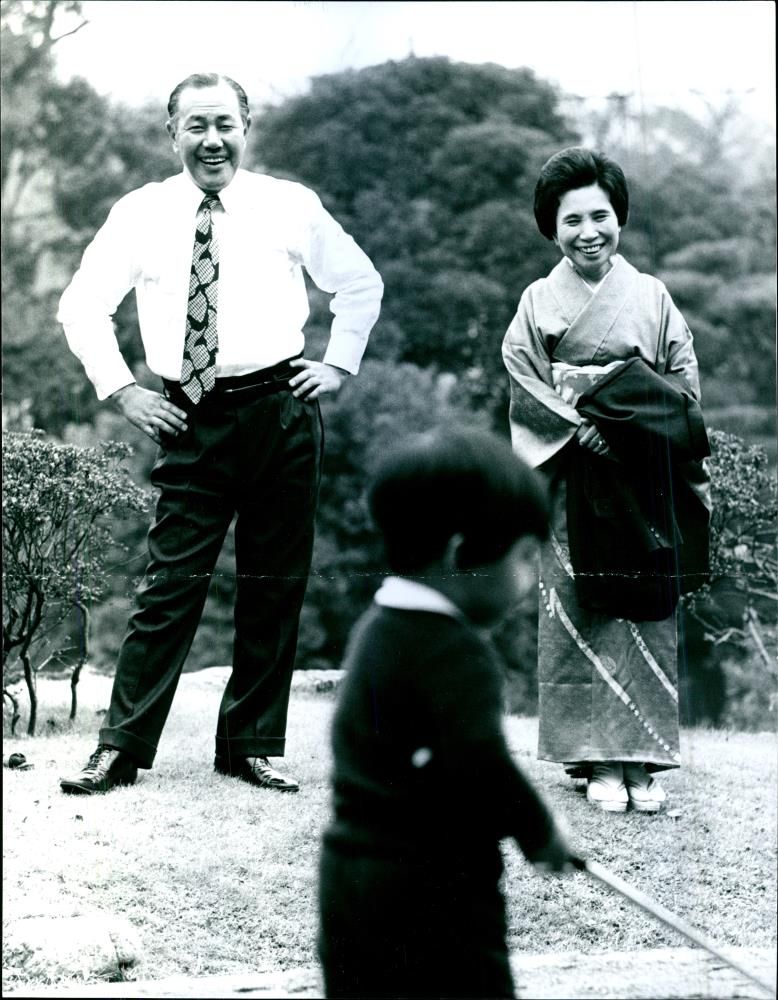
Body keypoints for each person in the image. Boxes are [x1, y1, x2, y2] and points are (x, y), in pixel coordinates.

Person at [57, 73, 383, 796]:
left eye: (225, 124)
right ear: (172, 132)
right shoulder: (141, 213)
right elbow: (81, 306)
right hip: (188, 415)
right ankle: (120, 748)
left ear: (247, 125)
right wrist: (121, 390)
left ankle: (250, 746)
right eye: (196, 125)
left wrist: (338, 364)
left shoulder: (289, 206)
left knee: (273, 583)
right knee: (170, 584)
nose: (213, 140)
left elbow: (360, 284)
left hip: (281, 409)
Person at [318, 427, 573, 999]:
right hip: (435, 894)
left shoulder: (375, 632)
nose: (532, 582)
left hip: (351, 885)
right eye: (527, 557)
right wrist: (541, 832)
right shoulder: (456, 653)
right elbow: (479, 760)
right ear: (461, 553)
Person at [502, 147, 710, 815]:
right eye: (571, 221)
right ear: (550, 228)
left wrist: (629, 423)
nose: (588, 232)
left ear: (618, 216)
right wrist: (578, 424)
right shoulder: (538, 300)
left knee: (644, 609)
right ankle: (592, 758)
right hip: (572, 476)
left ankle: (643, 759)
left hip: (642, 475)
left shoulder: (651, 296)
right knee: (580, 609)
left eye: (600, 215)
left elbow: (682, 386)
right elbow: (522, 379)